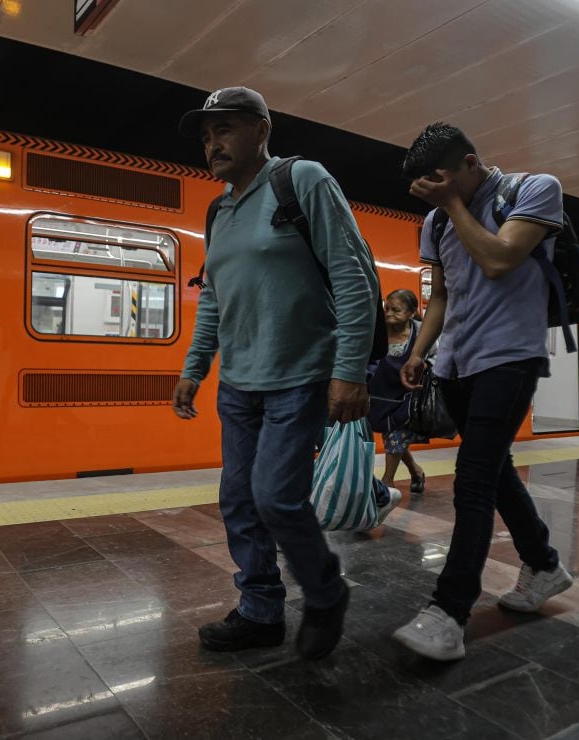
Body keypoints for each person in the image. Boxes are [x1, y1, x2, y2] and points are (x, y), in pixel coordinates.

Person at [172, 86, 382, 660]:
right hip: (238, 383)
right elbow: (213, 295)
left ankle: (325, 592)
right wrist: (195, 365)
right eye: (206, 136)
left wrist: (350, 371)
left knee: (275, 498)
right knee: (238, 500)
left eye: (225, 129)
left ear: (261, 130)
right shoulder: (218, 210)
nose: (213, 144)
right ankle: (260, 610)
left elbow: (352, 276)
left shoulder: (302, 179)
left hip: (300, 375)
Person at [391, 123, 573, 661]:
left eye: (442, 180)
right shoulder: (434, 220)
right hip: (455, 362)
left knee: (472, 480)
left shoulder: (535, 189)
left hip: (509, 358)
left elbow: (499, 260)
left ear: (470, 163)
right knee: (494, 472)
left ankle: (449, 612)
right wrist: (419, 351)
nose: (435, 192)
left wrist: (452, 206)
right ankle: (544, 565)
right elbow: (442, 295)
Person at [369, 289, 428, 493]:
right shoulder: (377, 330)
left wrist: (424, 365)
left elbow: (436, 357)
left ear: (411, 313)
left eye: (396, 310)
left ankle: (387, 483)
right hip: (378, 396)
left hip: (406, 397)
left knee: (395, 437)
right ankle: (415, 470)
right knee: (394, 440)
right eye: (387, 309)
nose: (389, 314)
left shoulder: (421, 334)